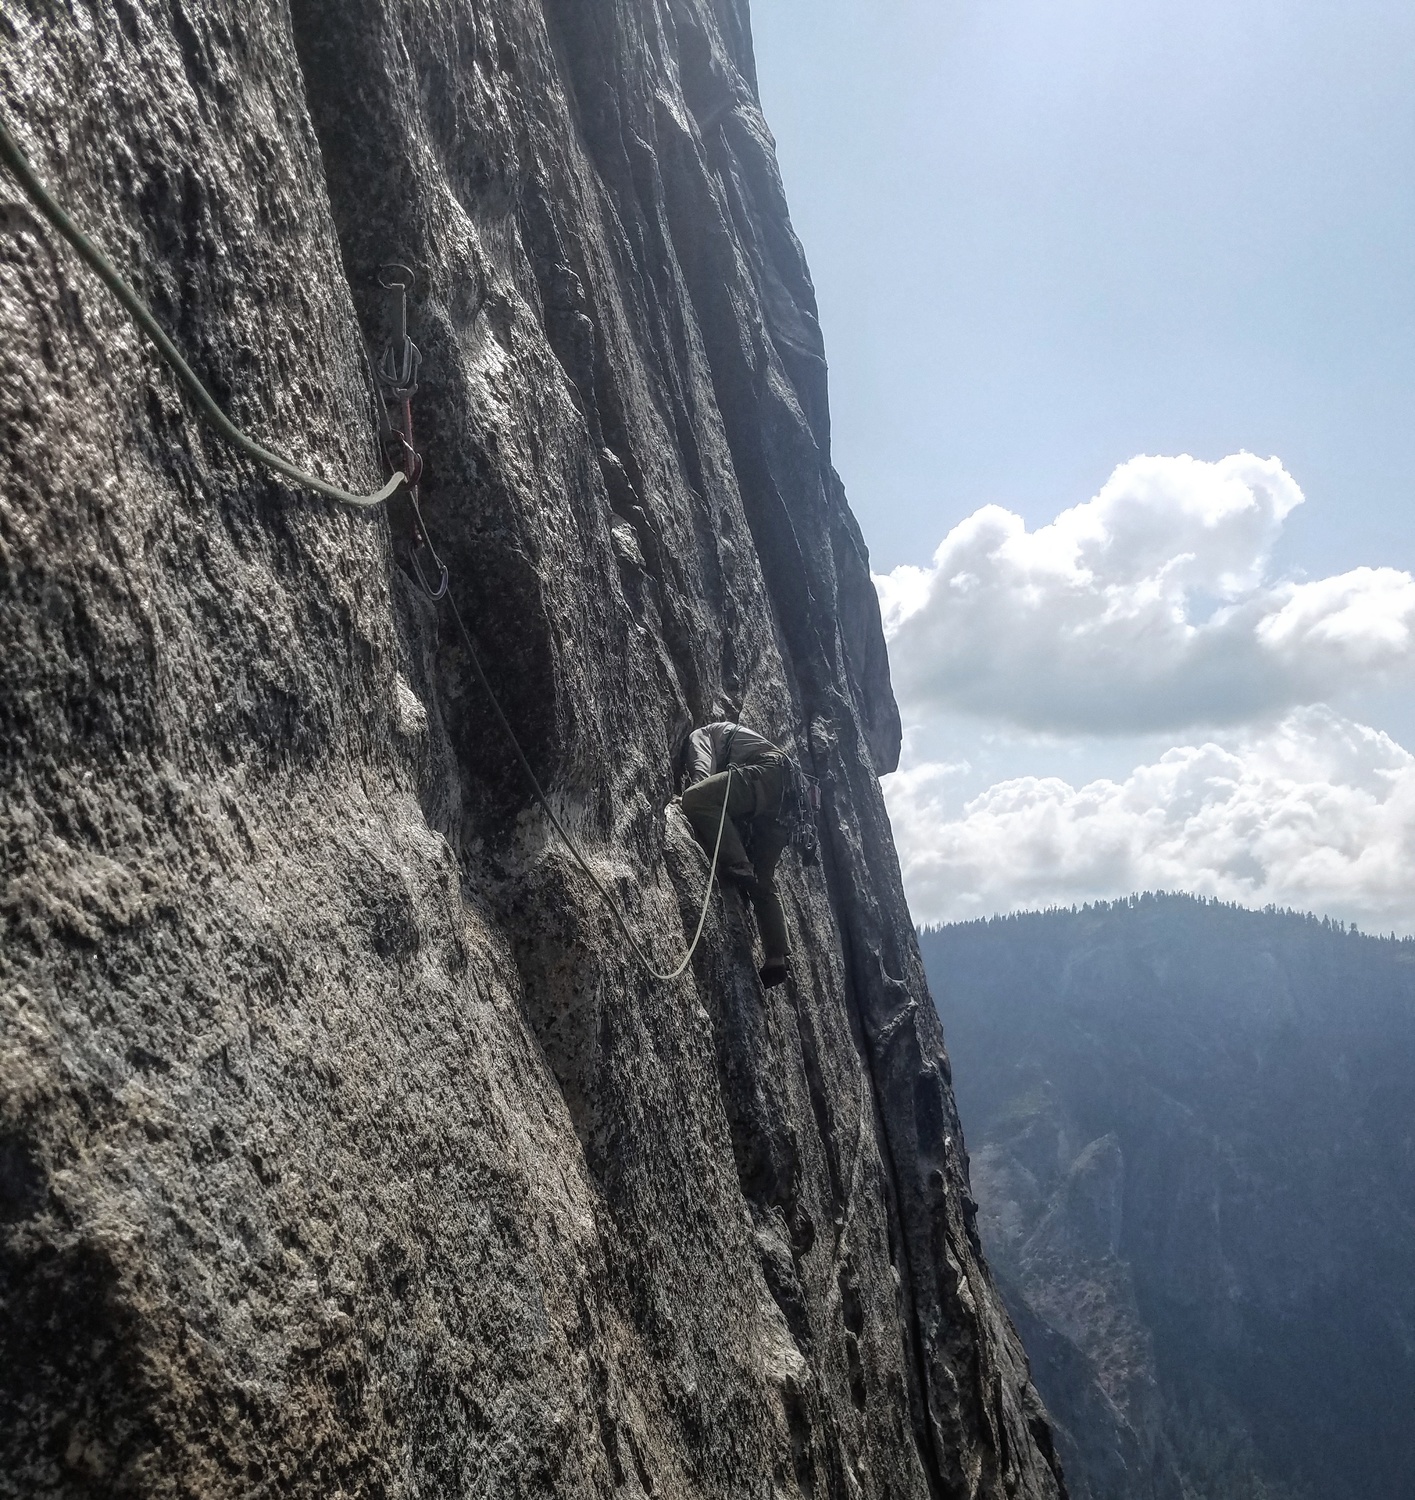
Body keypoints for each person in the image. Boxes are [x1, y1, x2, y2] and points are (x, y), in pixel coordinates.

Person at [680, 718, 794, 987]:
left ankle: (737, 863)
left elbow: (702, 774)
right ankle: (776, 957)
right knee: (763, 880)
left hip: (770, 775)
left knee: (697, 798)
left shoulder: (703, 733)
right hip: (788, 802)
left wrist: (693, 791)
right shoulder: (739, 738)